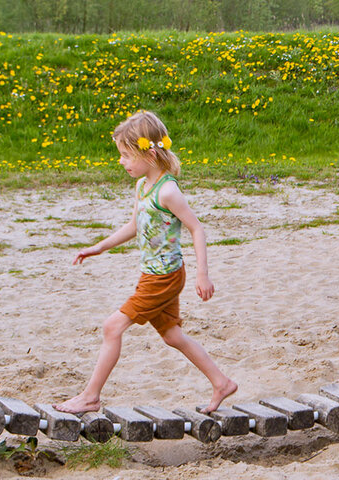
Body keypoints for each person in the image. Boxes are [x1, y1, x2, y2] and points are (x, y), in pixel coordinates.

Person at [55, 111, 237, 414]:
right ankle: (221, 382)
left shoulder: (167, 191)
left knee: (112, 327)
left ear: (150, 153)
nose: (121, 161)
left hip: (164, 277)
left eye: (126, 155)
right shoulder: (142, 187)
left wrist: (202, 275)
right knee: (171, 335)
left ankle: (90, 397)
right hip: (152, 274)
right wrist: (99, 247)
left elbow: (196, 227)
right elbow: (135, 226)